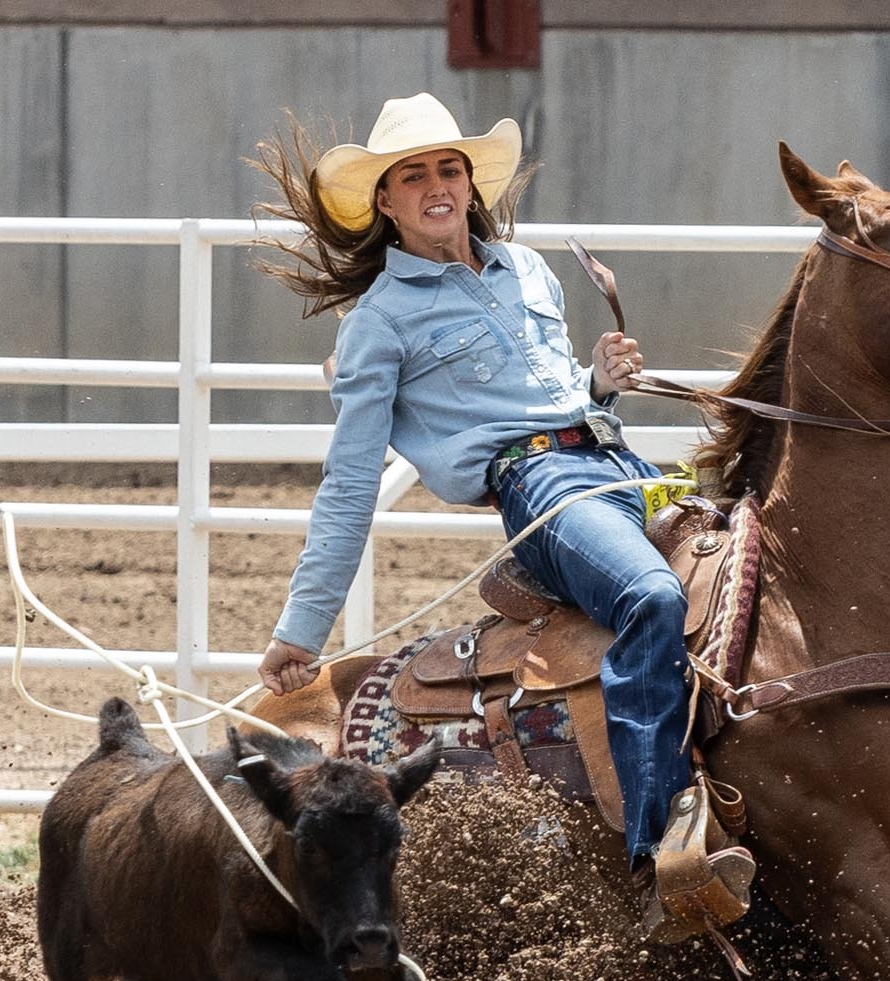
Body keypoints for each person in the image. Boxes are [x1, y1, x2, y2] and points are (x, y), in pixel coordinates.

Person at [251, 93, 752, 937]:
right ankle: (658, 852)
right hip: (542, 492)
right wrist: (303, 627)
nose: (437, 185)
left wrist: (597, 382)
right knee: (652, 602)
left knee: (762, 569)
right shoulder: (380, 320)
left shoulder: (528, 272)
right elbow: (347, 483)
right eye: (413, 175)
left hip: (620, 463)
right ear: (386, 200)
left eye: (449, 168)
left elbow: (554, 394)